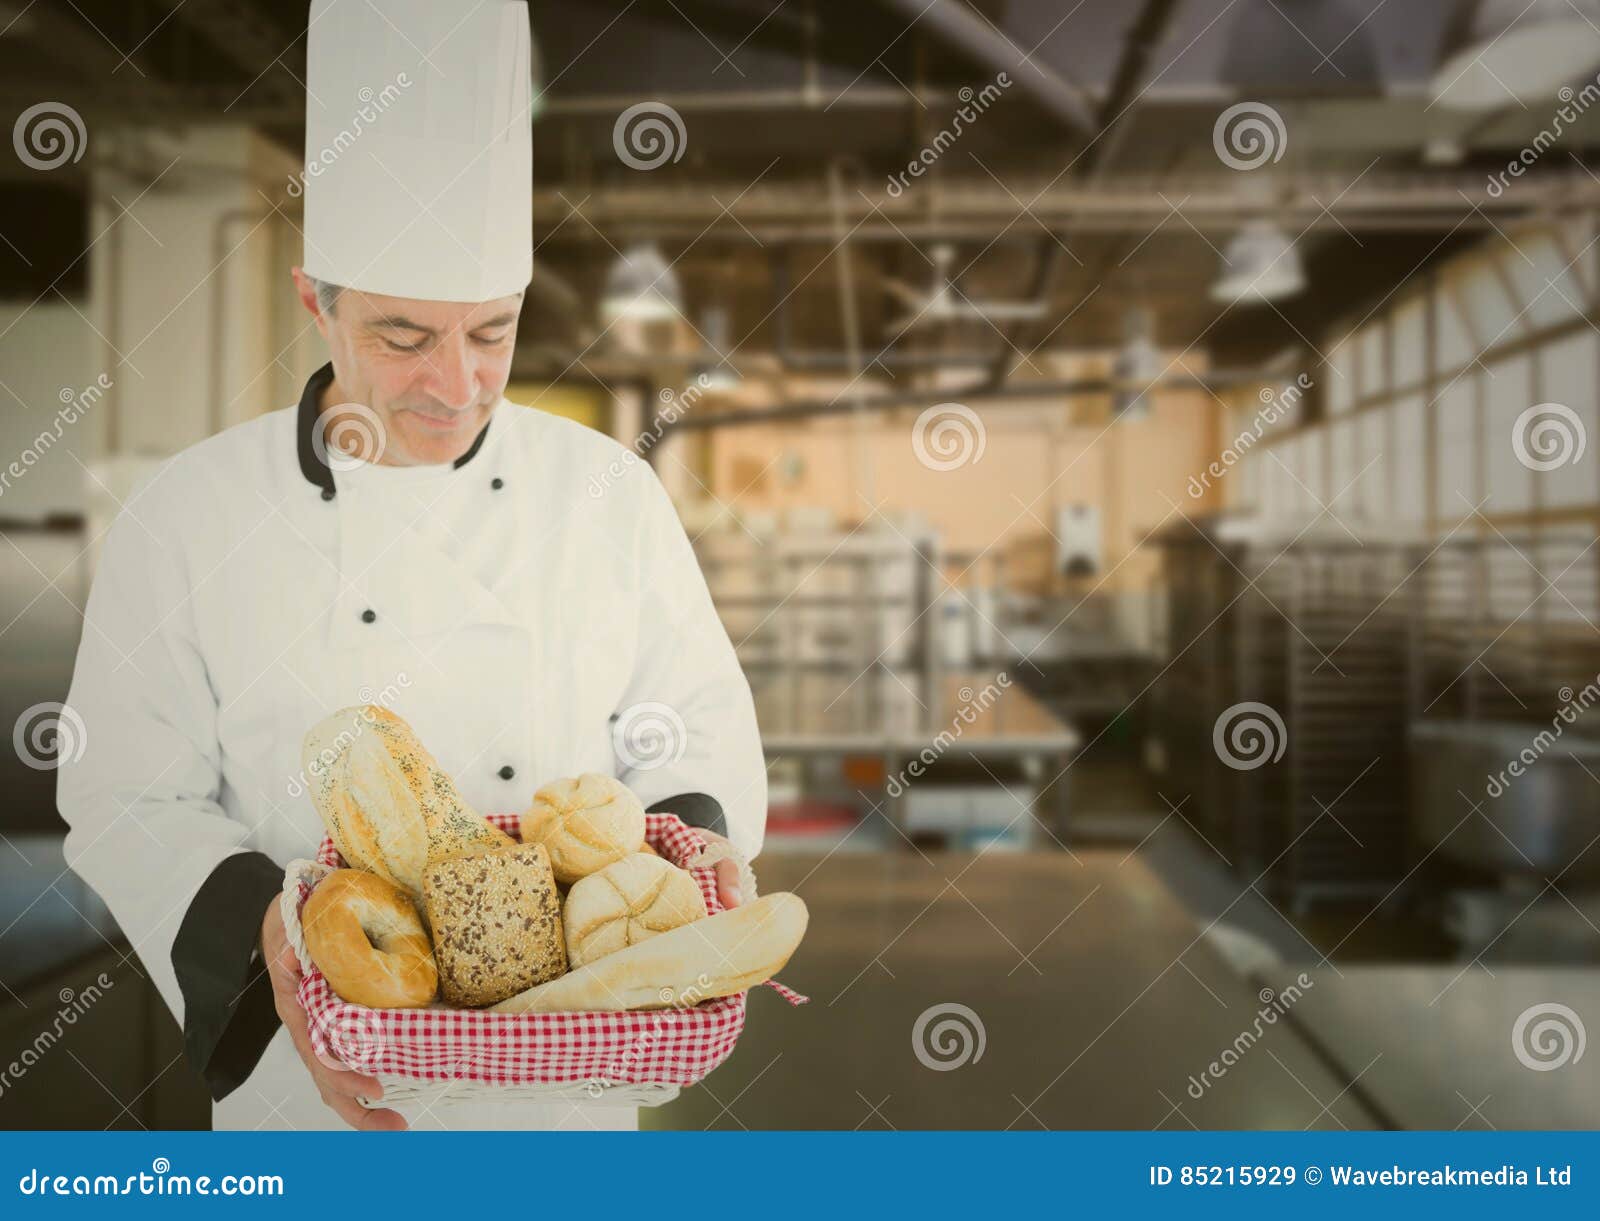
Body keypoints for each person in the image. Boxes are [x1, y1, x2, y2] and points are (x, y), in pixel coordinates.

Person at [55, 0, 765, 1131]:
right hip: (318, 1097)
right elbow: (122, 788)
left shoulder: (607, 494)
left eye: (492, 333)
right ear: (316, 304)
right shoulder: (190, 515)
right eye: (401, 337)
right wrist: (270, 937)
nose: (455, 385)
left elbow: (686, 725)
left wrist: (703, 849)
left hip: (566, 1091)